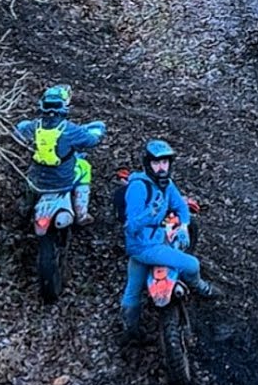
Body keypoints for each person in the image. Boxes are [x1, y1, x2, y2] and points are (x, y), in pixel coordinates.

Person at [119, 140, 220, 344]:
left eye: (165, 162)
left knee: (133, 289)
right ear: (148, 164)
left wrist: (183, 225)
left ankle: (131, 332)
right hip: (143, 245)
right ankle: (202, 287)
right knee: (192, 264)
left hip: (155, 239)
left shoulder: (167, 184)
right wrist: (151, 214)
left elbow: (181, 207)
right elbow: (130, 227)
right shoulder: (138, 187)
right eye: (156, 163)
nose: (161, 167)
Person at [14, 86, 106, 224]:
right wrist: (97, 131)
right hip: (63, 180)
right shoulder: (70, 130)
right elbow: (91, 140)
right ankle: (81, 213)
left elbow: (18, 133)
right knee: (84, 167)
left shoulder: (33, 127)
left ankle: (25, 209)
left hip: (38, 179)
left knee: (28, 180)